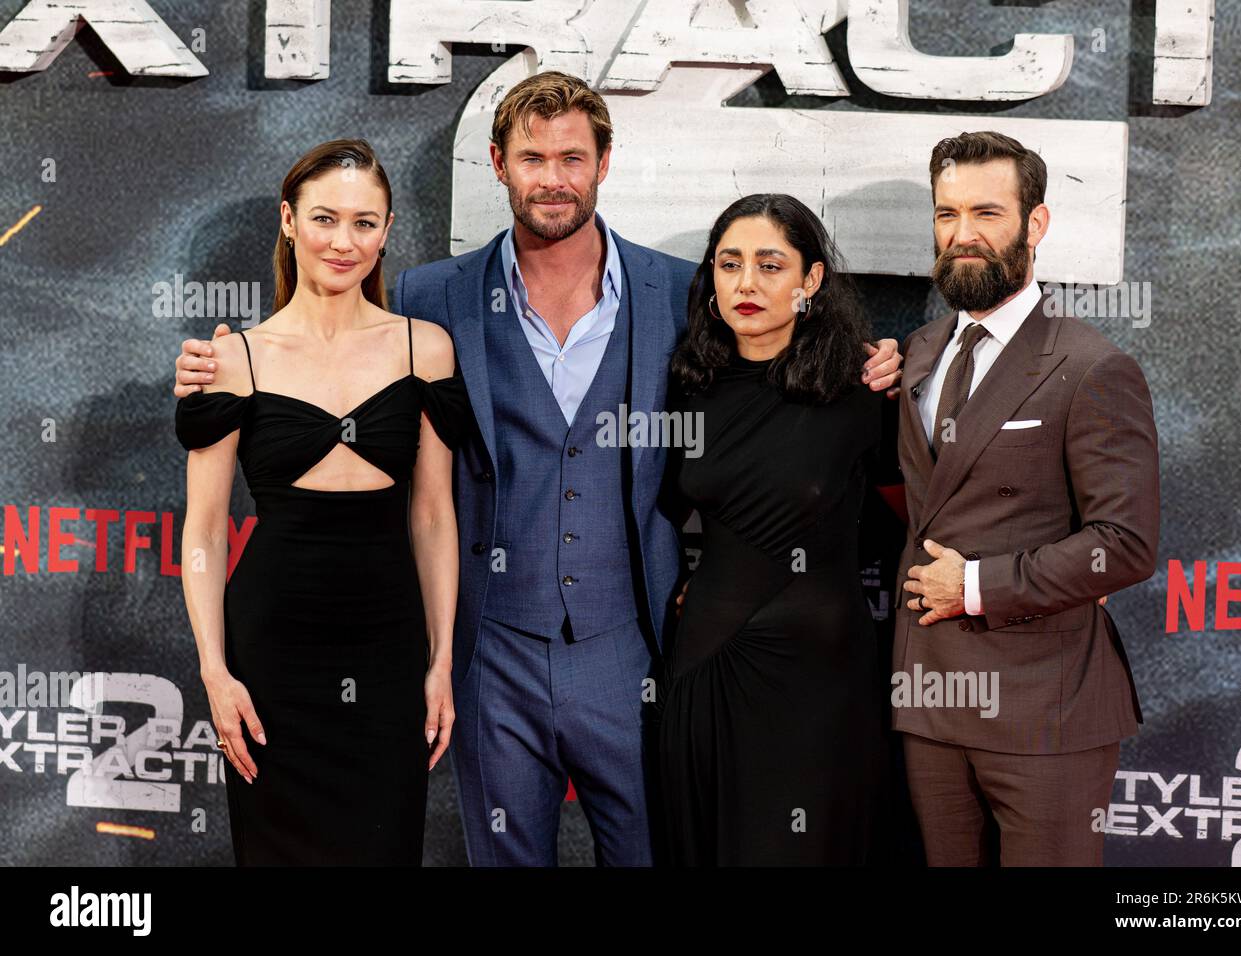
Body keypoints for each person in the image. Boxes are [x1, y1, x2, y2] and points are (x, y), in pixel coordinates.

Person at [173, 72, 904, 867]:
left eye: (571, 157)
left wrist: (870, 362)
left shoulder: (681, 291)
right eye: (531, 157)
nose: (552, 178)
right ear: (497, 164)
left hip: (635, 652)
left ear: (604, 163)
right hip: (490, 657)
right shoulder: (433, 299)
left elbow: (773, 369)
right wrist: (214, 372)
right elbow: (343, 369)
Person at [175, 139, 471, 865]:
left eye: (365, 223)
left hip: (388, 647)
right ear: (287, 220)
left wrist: (439, 662)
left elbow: (433, 517)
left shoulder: (425, 349)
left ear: (389, 230)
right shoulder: (231, 359)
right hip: (273, 653)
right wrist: (215, 670)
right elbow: (205, 530)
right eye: (325, 219)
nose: (344, 242)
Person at [896, 131, 1159, 866]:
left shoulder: (1092, 366)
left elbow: (1126, 542)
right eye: (947, 215)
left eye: (987, 212)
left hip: (1047, 712)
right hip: (931, 698)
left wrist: (975, 584)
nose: (963, 235)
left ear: (1035, 225)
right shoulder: (916, 352)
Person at [658, 194, 901, 866]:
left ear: (811, 281)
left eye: (771, 265)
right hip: (706, 662)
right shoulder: (690, 382)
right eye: (729, 264)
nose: (746, 284)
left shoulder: (862, 383)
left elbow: (913, 513)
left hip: (820, 679)